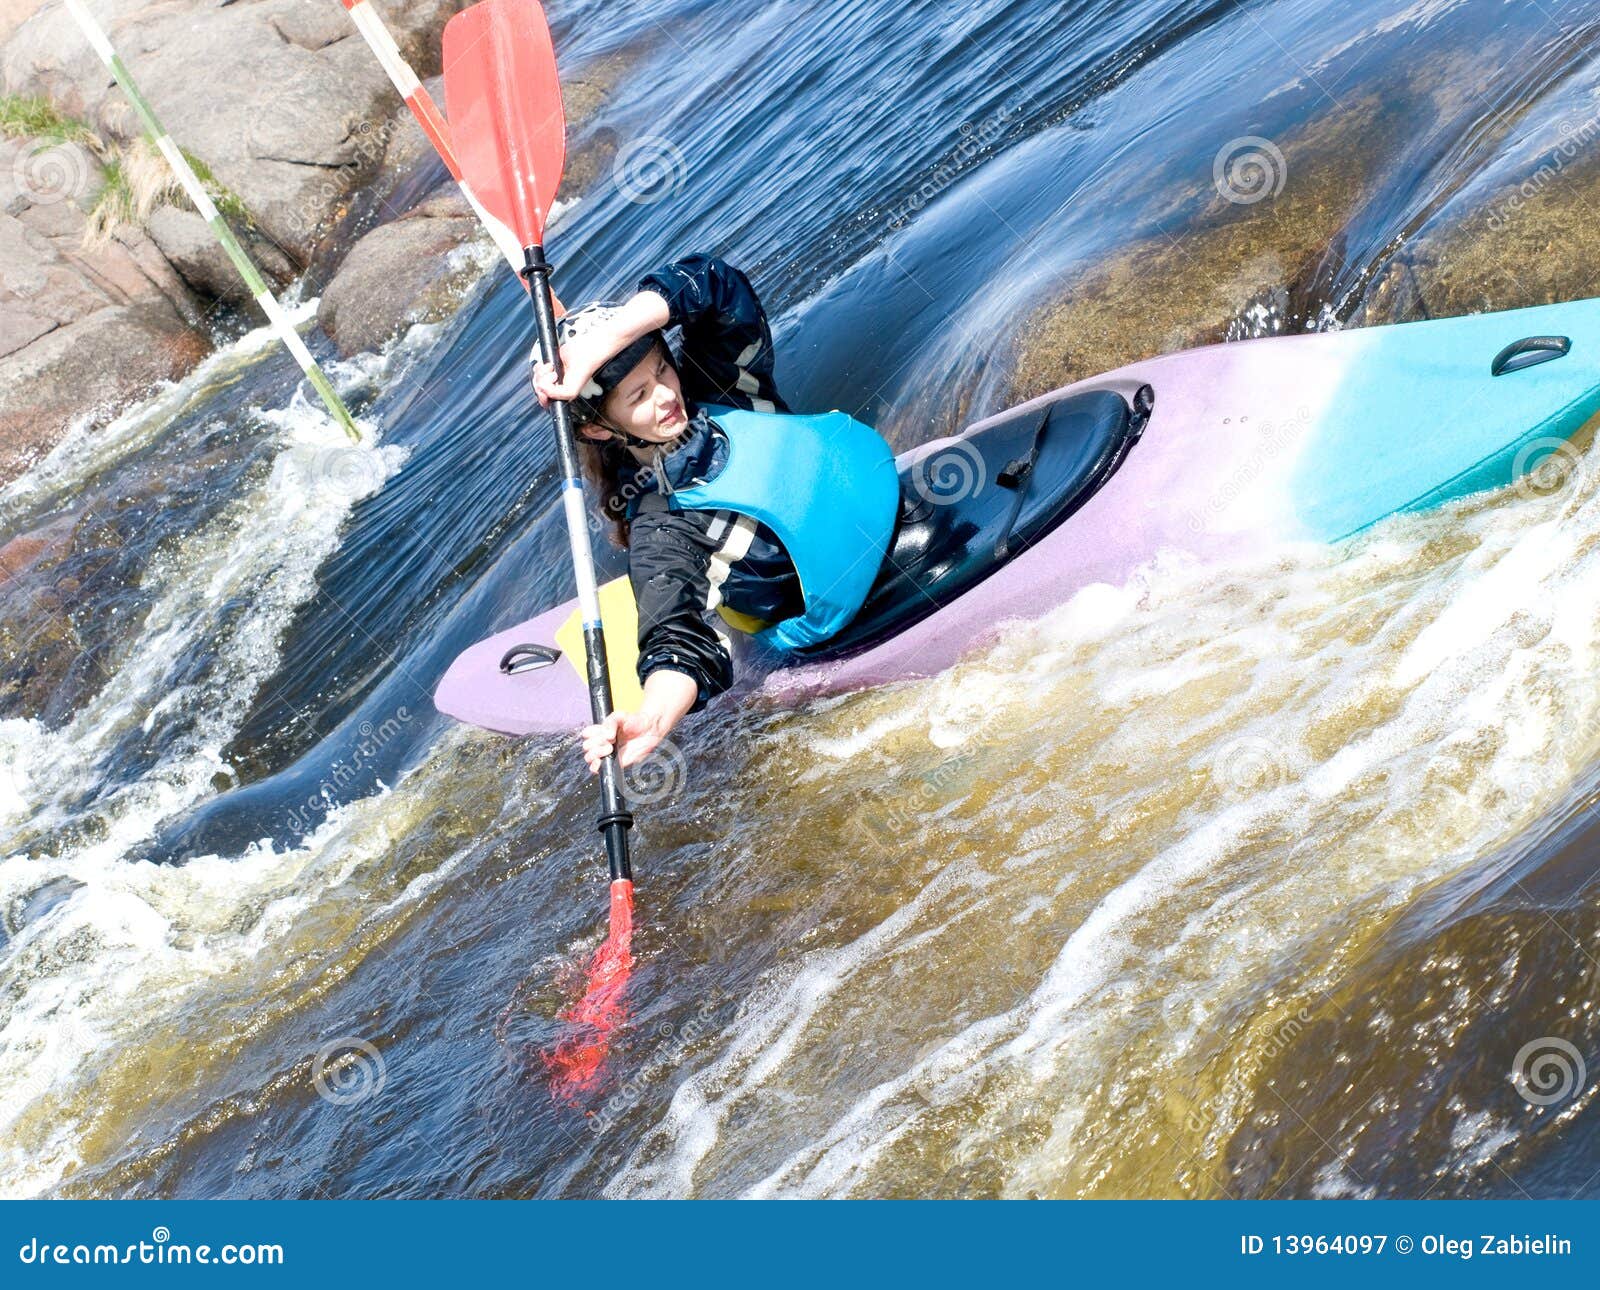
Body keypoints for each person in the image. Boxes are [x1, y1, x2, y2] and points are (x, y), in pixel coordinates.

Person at [531, 253, 899, 775]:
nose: (666, 395)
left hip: (890, 513)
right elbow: (677, 641)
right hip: (844, 616)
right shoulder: (664, 528)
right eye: (638, 395)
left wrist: (611, 337)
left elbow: (716, 285)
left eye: (661, 368)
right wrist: (655, 718)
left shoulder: (722, 384)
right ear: (597, 429)